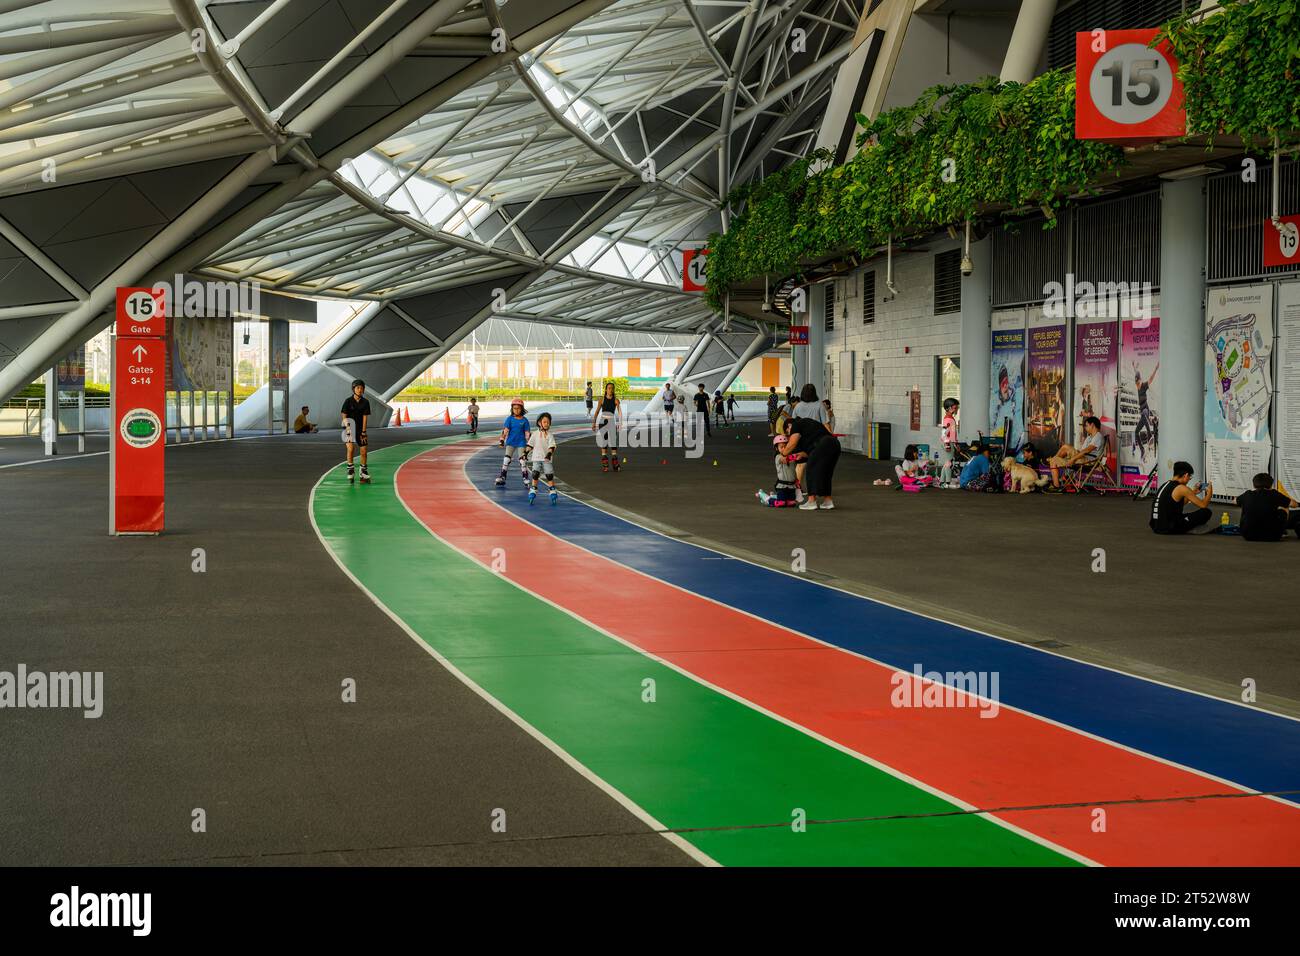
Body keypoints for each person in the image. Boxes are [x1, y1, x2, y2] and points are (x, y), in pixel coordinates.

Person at [782, 415, 840, 510]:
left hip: (823, 444)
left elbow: (792, 444)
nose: (789, 435)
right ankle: (828, 501)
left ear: (789, 425)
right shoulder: (808, 425)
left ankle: (811, 501)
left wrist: (783, 453)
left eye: (788, 433)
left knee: (811, 470)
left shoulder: (796, 424)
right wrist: (802, 454)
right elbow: (811, 451)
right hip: (834, 444)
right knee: (826, 473)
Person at [1149, 461, 1213, 535]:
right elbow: (1203, 505)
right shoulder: (1182, 488)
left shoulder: (1165, 485)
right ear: (1186, 475)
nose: (1189, 479)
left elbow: (1179, 503)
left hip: (1156, 526)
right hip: (1170, 528)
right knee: (1206, 512)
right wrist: (1209, 493)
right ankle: (1186, 529)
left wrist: (1194, 492)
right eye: (1190, 477)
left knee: (1183, 515)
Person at [1045, 415, 1105, 492]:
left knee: (1065, 447)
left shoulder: (1098, 436)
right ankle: (1056, 486)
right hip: (1082, 459)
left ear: (1092, 425)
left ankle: (1056, 485)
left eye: (1086, 426)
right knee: (1054, 460)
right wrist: (1071, 456)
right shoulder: (1089, 437)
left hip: (1088, 462)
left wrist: (1072, 459)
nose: (1085, 428)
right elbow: (1082, 451)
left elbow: (1086, 451)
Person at [1236, 473, 1300, 541]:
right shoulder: (1274, 494)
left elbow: (1235, 501)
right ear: (1271, 485)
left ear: (1254, 485)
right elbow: (1294, 504)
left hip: (1247, 535)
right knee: (1284, 507)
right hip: (1273, 536)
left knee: (1246, 506)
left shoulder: (1248, 494)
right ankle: (1282, 530)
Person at [494, 398, 531, 487]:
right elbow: (505, 431)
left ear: (522, 409)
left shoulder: (525, 420)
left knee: (523, 460)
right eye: (514, 408)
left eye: (518, 408)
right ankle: (503, 477)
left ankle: (525, 477)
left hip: (521, 442)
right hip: (510, 442)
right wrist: (502, 440)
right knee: (506, 459)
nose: (516, 410)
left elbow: (527, 433)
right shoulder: (509, 419)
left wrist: (529, 443)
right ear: (512, 409)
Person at [340, 380, 370, 484]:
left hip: (360, 429)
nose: (360, 390)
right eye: (358, 388)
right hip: (349, 427)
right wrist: (347, 427)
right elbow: (343, 415)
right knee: (351, 448)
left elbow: (365, 417)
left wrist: (364, 431)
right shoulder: (348, 401)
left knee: (364, 451)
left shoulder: (365, 402)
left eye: (361, 388)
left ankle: (363, 472)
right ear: (353, 389)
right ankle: (350, 469)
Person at [757, 434, 799, 507]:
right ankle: (765, 498)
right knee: (781, 503)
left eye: (785, 446)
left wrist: (796, 480)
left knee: (791, 503)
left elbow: (793, 471)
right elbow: (784, 460)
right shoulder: (778, 457)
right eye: (781, 447)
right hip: (782, 486)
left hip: (792, 485)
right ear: (777, 448)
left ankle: (774, 496)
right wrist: (795, 456)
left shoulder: (791, 456)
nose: (784, 448)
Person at [527, 412, 559, 506]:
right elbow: (530, 445)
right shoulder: (535, 434)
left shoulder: (550, 435)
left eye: (548, 422)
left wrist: (549, 454)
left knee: (549, 475)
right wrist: (525, 453)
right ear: (539, 423)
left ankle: (552, 489)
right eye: (545, 422)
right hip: (536, 458)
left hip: (546, 459)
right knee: (535, 473)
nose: (547, 424)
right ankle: (533, 488)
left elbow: (552, 446)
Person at [593, 381, 621, 472]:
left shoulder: (616, 400)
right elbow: (597, 412)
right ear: (606, 389)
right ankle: (605, 465)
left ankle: (615, 464)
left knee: (613, 442)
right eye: (609, 388)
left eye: (612, 388)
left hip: (612, 421)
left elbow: (620, 413)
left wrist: (620, 422)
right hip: (603, 422)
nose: (610, 390)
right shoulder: (602, 400)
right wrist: (594, 423)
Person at [1132, 362, 1159, 457]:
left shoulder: (1143, 385)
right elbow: (1136, 374)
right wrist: (1134, 367)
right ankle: (1142, 450)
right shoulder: (1138, 386)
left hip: (1146, 411)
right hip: (1142, 415)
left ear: (1140, 381)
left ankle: (1150, 435)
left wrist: (1156, 369)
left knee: (1144, 412)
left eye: (1138, 383)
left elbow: (1151, 379)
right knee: (1136, 432)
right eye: (1136, 384)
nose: (1138, 386)